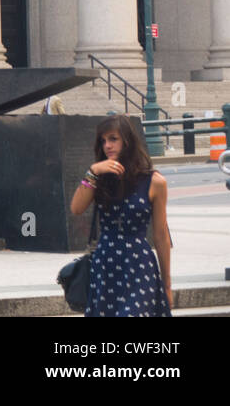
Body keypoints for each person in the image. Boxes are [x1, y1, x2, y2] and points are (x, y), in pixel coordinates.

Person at [69, 114, 172, 316]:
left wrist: (167, 283)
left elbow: (161, 236)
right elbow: (76, 208)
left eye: (113, 139)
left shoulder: (155, 182)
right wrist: (92, 172)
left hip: (139, 264)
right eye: (103, 140)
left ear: (127, 141)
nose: (107, 145)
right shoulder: (99, 177)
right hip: (106, 264)